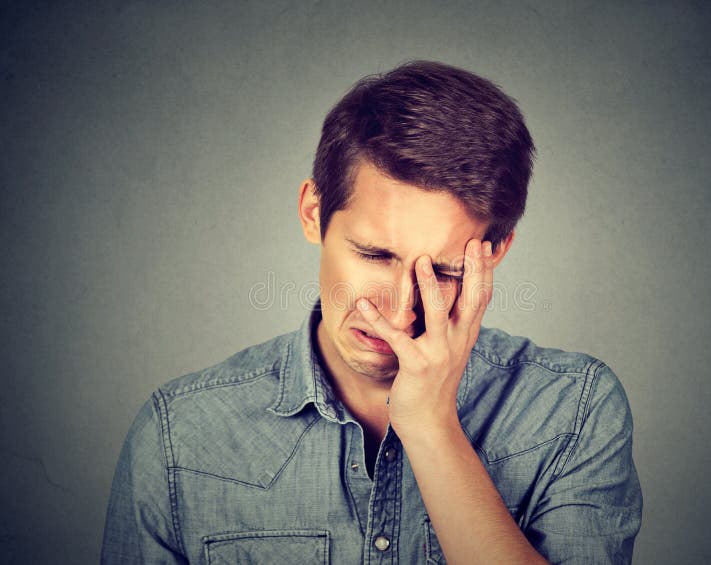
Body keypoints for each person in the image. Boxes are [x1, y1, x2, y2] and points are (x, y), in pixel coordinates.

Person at [102, 60, 642, 564]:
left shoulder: (574, 411)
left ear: (494, 252)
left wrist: (432, 426)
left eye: (444, 272)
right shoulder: (179, 437)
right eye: (375, 255)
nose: (399, 309)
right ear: (314, 214)